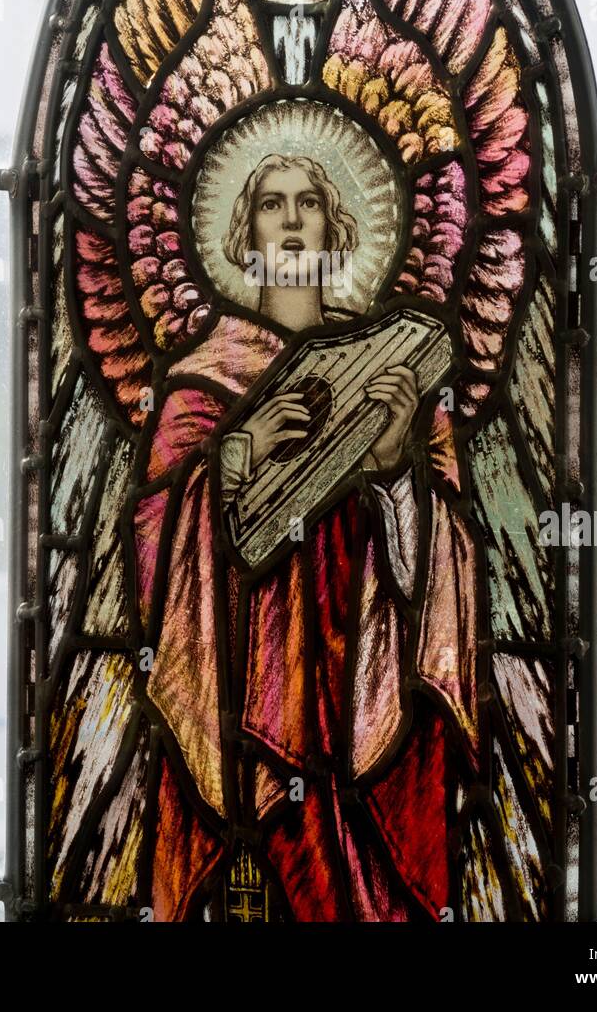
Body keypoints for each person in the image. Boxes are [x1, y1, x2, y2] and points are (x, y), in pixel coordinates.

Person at [136, 152, 477, 921]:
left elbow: (452, 568)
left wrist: (394, 474)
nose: (291, 221)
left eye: (308, 204)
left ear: (338, 227)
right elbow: (152, 550)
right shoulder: (198, 389)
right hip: (245, 728)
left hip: (358, 718)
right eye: (271, 204)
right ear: (242, 233)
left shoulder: (397, 376)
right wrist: (236, 453)